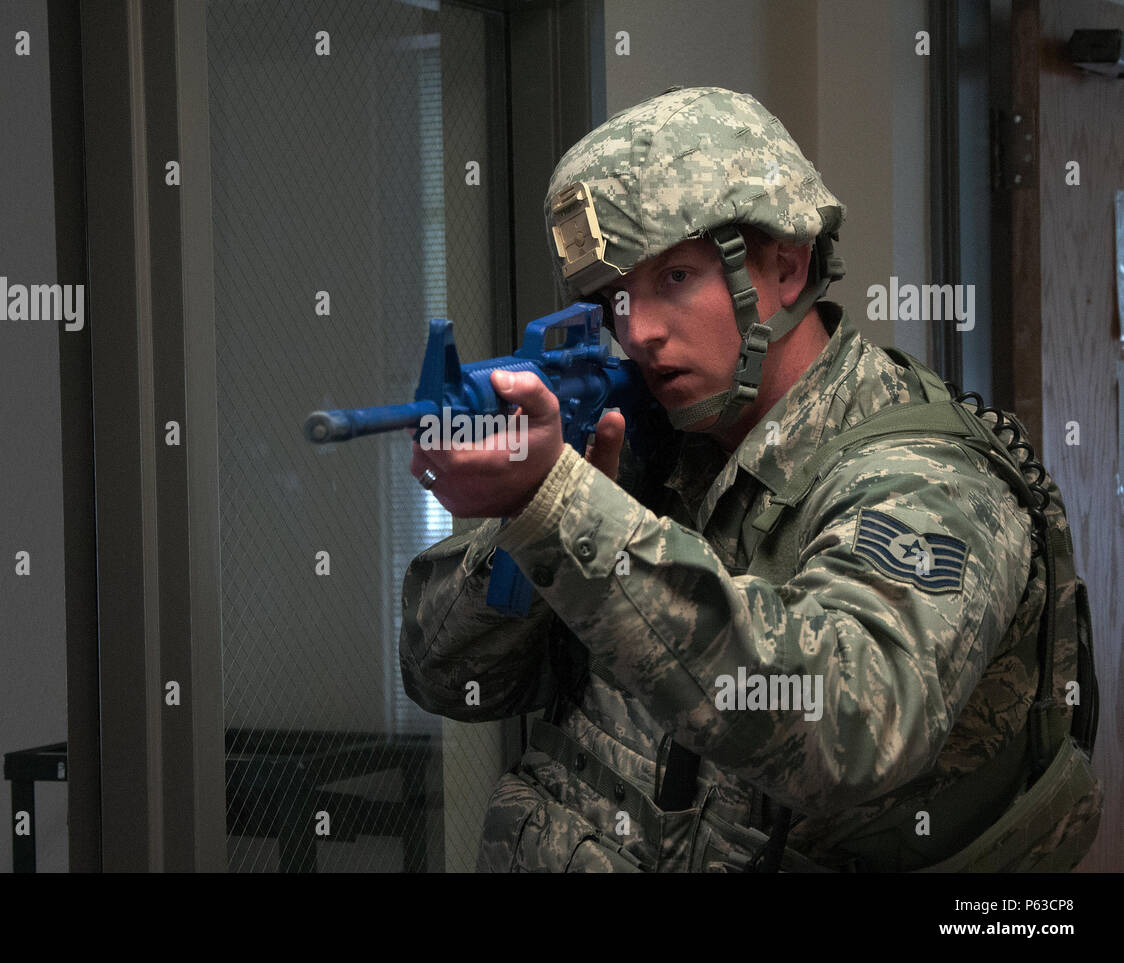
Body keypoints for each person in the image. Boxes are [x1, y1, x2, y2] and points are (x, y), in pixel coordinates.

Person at [399, 86, 1101, 872]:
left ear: (787, 267)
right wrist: (526, 520)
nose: (638, 331)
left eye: (675, 277)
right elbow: (446, 675)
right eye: (614, 298)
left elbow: (852, 727)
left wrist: (564, 513)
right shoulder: (647, 440)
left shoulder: (921, 476)